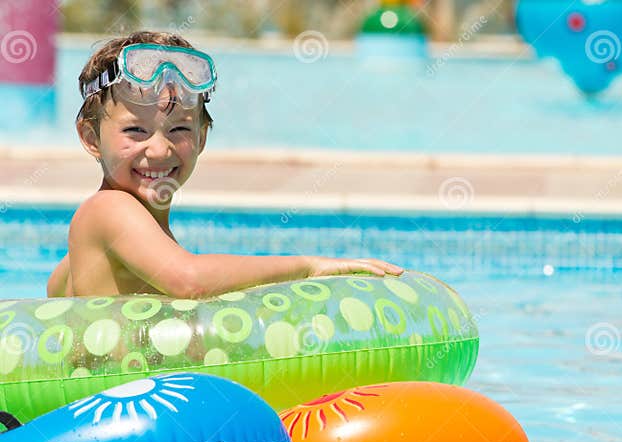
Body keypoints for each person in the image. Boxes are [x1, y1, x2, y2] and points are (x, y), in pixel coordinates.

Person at [47, 31, 402, 298]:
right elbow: (188, 280)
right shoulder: (111, 208)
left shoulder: (109, 235)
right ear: (91, 137)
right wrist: (308, 267)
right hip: (129, 397)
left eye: (180, 129)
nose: (159, 149)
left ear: (202, 137)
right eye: (135, 130)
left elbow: (57, 287)